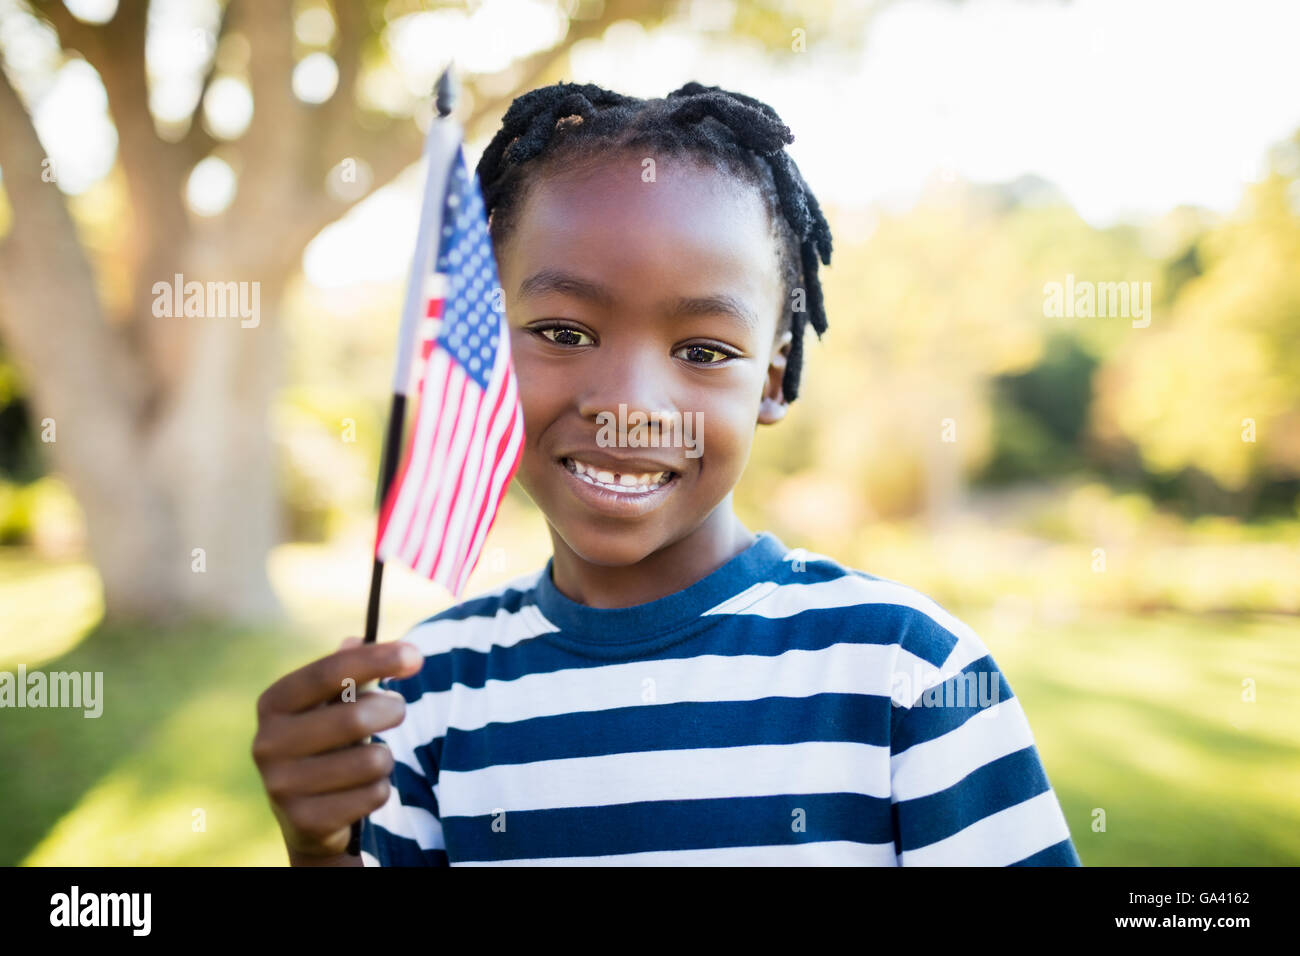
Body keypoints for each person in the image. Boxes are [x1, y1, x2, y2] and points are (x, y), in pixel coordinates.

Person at [252, 81, 1082, 866]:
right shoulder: (420, 698)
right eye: (565, 332)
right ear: (482, 340)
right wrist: (319, 851)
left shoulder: (909, 673)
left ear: (773, 376)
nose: (630, 405)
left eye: (703, 351)